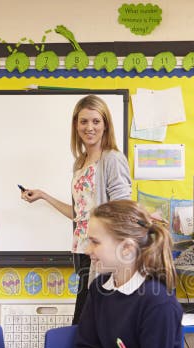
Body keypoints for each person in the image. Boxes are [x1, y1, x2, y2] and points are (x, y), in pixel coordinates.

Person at [21, 95, 131, 324]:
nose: (89, 127)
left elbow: (122, 209)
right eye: (83, 122)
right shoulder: (79, 163)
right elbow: (78, 214)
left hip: (103, 253)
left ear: (105, 124)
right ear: (75, 125)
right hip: (82, 250)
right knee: (84, 320)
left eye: (95, 121)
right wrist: (43, 195)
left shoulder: (112, 159)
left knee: (90, 321)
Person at [74, 200, 186, 348]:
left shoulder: (158, 302)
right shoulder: (99, 288)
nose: (87, 250)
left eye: (95, 242)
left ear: (126, 248)